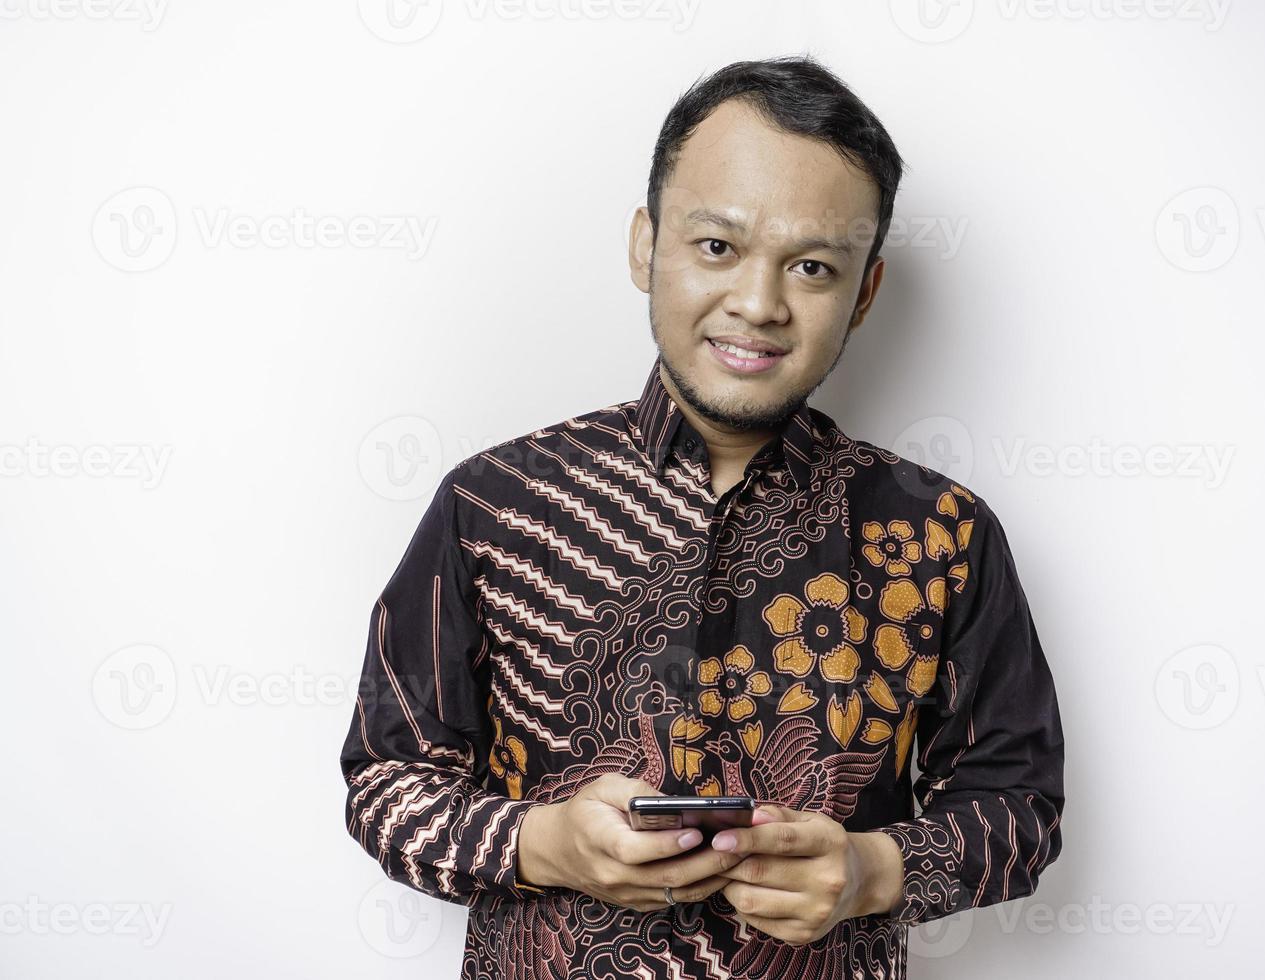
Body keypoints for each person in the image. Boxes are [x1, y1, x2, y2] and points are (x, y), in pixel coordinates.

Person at [339, 54, 1065, 979]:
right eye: (716, 246)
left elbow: (1020, 803)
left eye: (811, 266)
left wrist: (873, 870)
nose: (757, 305)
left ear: (865, 291)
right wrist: (544, 844)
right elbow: (385, 780)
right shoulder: (493, 505)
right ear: (647, 245)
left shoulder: (942, 534)